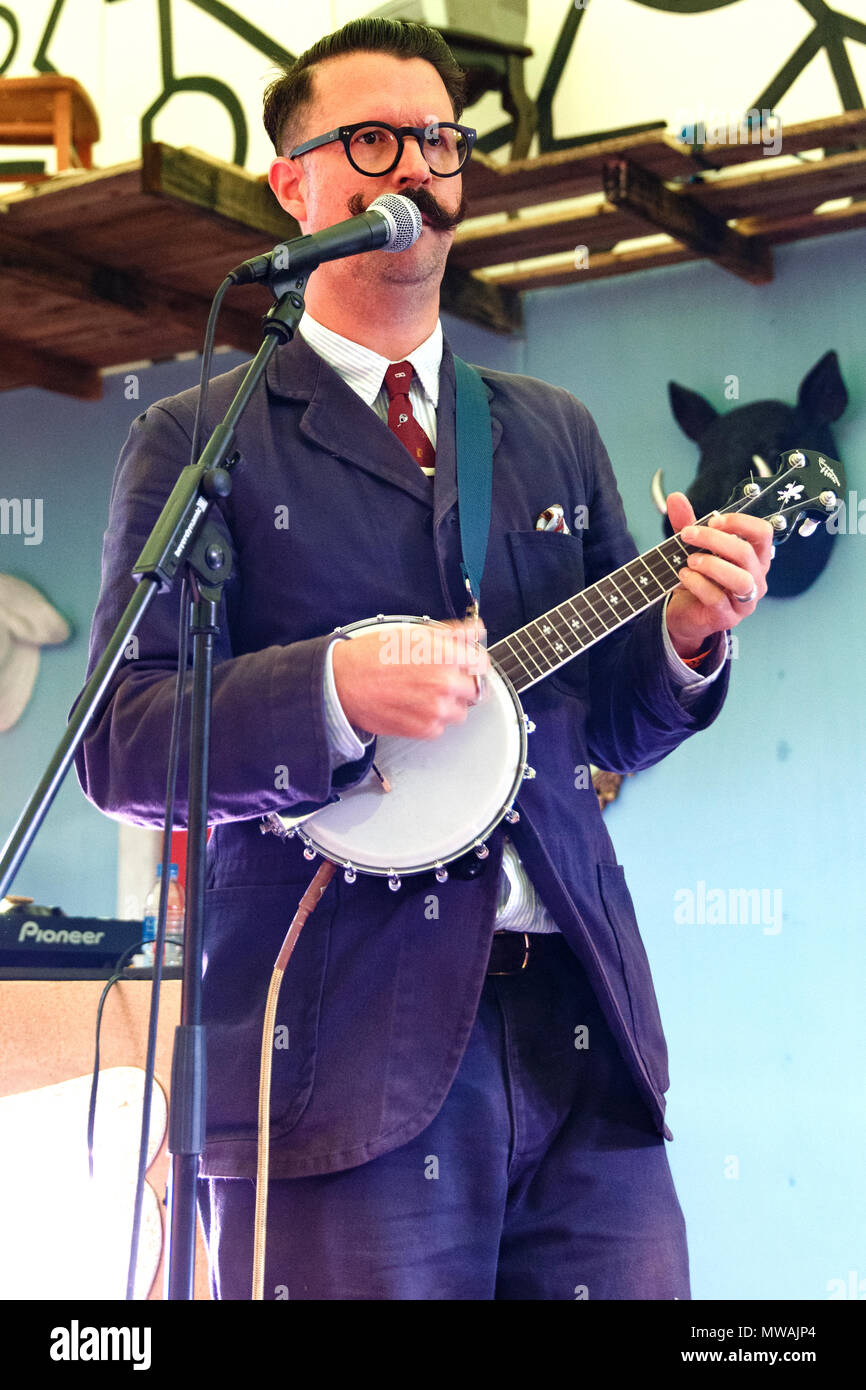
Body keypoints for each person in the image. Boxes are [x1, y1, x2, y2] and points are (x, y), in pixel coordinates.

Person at [75, 19, 773, 1300]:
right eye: (372, 140)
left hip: (581, 1038)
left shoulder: (548, 430)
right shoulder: (197, 439)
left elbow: (605, 728)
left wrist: (683, 643)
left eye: (439, 140)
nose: (414, 167)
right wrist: (329, 695)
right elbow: (123, 742)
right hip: (335, 1059)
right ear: (293, 183)